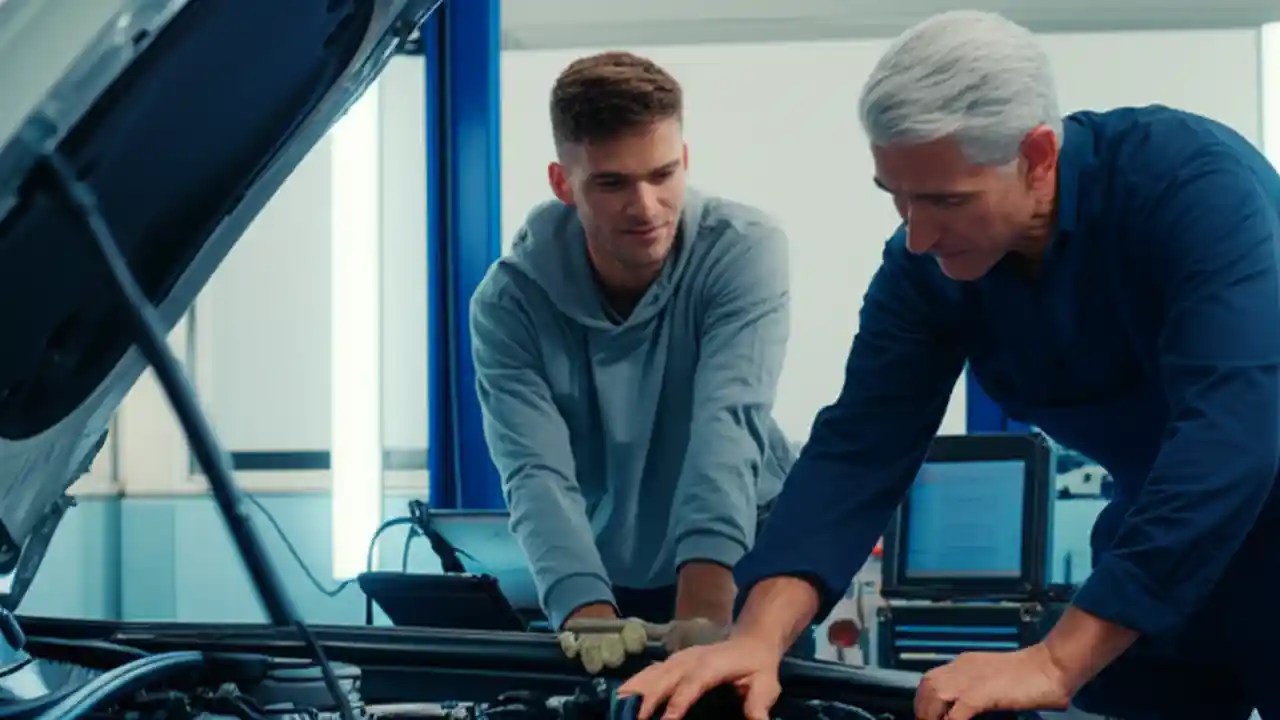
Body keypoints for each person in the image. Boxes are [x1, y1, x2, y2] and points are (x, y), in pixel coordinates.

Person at [618, 10, 1280, 720]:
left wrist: (1057, 659)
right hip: (1161, 544)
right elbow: (858, 447)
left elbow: (1232, 437)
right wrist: (756, 636)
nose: (918, 233)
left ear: (1039, 155)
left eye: (946, 200)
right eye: (897, 196)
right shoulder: (923, 270)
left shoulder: (1195, 188)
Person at [469, 51, 797, 667]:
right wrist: (581, 609)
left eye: (663, 174)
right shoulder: (508, 303)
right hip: (602, 570)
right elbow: (536, 473)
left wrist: (704, 614)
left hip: (742, 555)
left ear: (686, 161)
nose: (646, 207)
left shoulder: (745, 252)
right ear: (563, 183)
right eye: (613, 183)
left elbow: (727, 425)